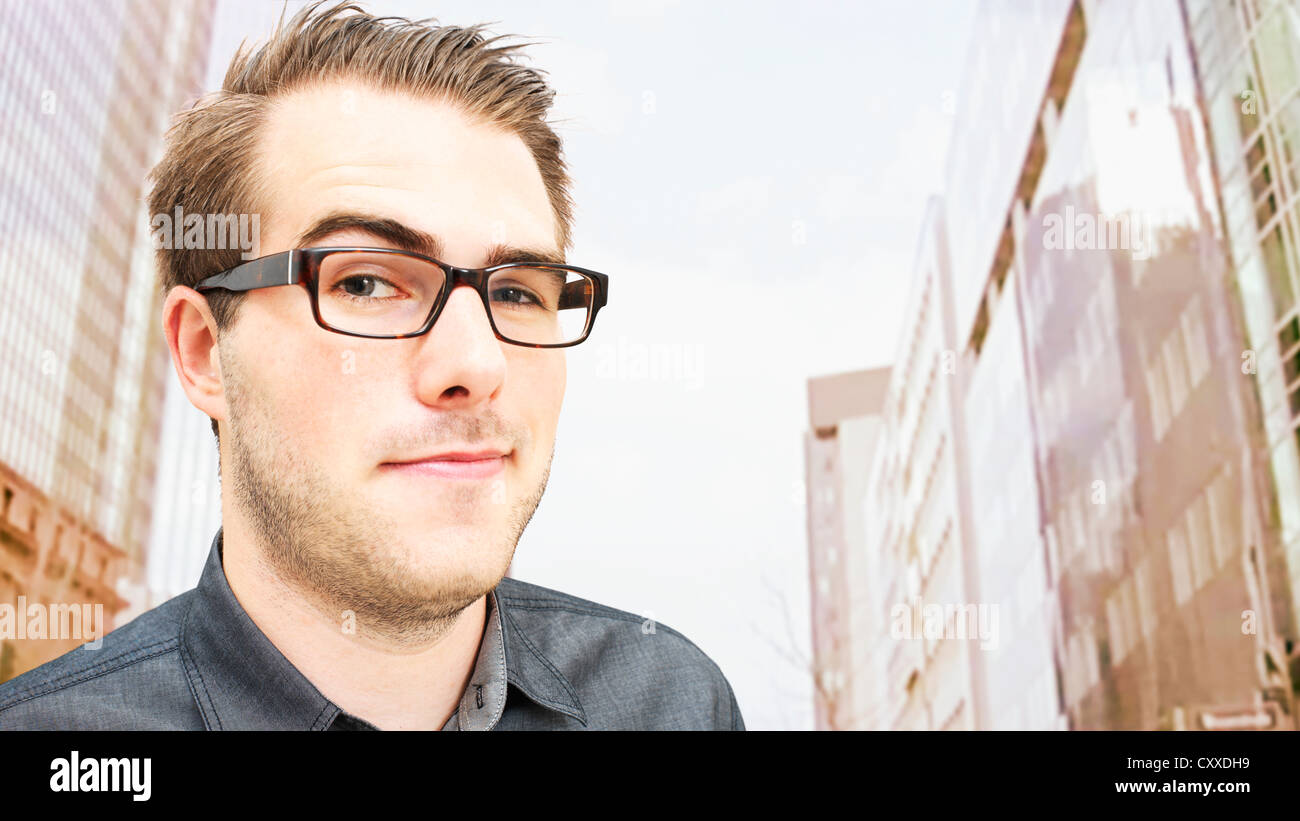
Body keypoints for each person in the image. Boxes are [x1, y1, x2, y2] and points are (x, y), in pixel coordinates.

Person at [0, 0, 742, 731]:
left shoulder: (672, 701)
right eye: (364, 282)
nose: (475, 364)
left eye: (516, 291)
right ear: (204, 352)